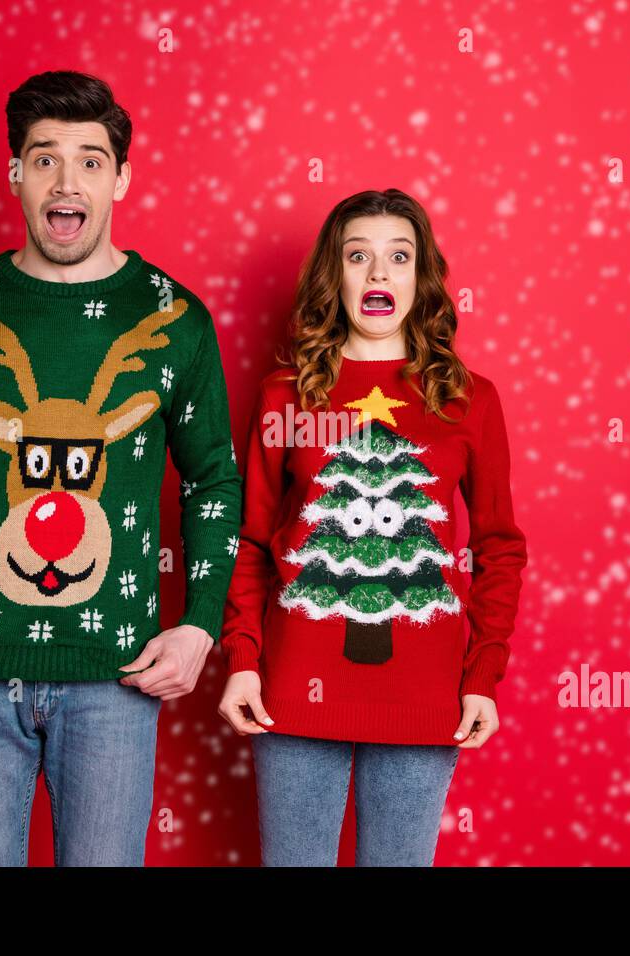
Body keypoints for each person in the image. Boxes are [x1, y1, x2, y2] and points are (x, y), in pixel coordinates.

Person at [0, 71, 242, 866]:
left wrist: (201, 623)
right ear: (15, 174)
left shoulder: (176, 320)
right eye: (45, 159)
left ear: (121, 179)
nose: (67, 182)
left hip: (116, 679)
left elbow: (213, 482)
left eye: (91, 161)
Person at [218, 188, 528, 866]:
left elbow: (500, 547)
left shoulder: (469, 399)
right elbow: (249, 541)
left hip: (424, 697)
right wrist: (242, 660)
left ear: (423, 278)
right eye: (358, 256)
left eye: (399, 257)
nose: (379, 272)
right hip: (293, 693)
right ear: (335, 274)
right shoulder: (285, 395)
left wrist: (483, 674)